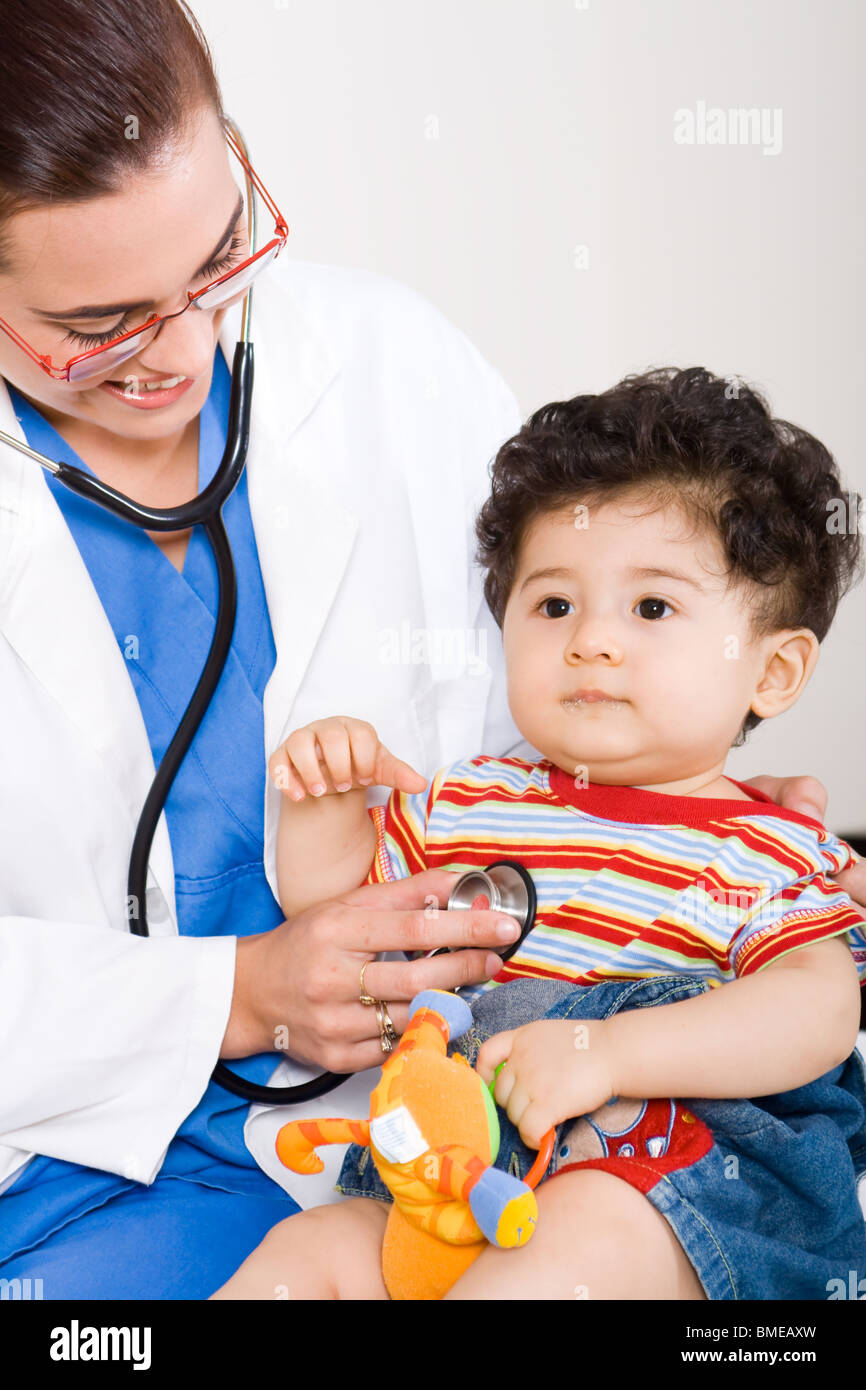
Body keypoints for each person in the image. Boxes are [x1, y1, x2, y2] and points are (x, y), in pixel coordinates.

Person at [0, 1, 855, 1299]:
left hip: (486, 1127)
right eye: (102, 322)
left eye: (222, 257)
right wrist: (234, 988)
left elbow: (578, 668)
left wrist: (692, 809)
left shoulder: (388, 357)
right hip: (102, 1147)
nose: (182, 347)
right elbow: (346, 848)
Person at [212, 367, 866, 1300]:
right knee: (303, 1259)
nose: (590, 640)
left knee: (567, 1251)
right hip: (453, 1178)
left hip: (668, 1187)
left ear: (772, 670)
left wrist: (609, 1054)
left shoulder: (772, 845)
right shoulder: (471, 803)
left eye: (652, 608)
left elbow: (815, 1014)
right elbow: (335, 906)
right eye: (554, 605)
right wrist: (324, 790)